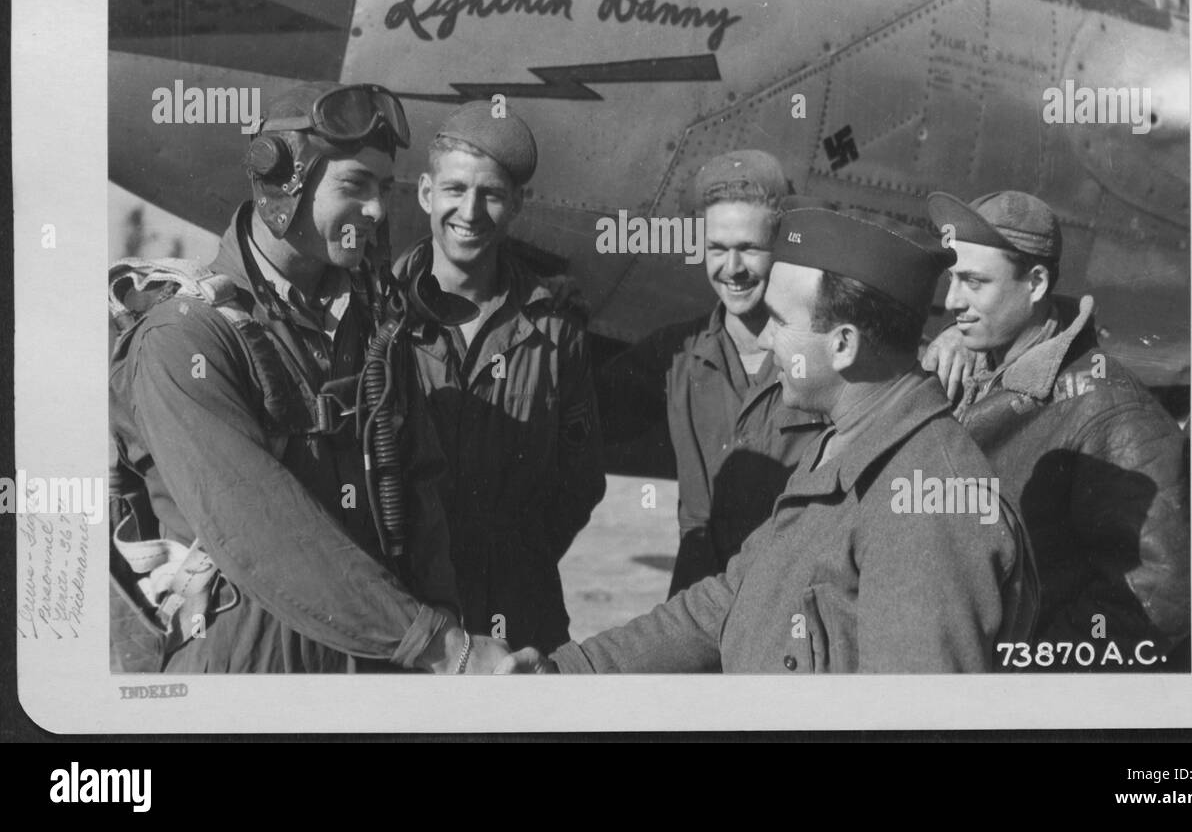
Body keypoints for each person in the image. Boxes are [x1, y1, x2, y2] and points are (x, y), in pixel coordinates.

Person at [499, 206, 1035, 674]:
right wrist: (567, 672)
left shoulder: (924, 501)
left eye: (781, 321)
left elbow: (913, 724)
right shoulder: (847, 443)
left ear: (844, 345)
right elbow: (728, 600)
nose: (767, 338)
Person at [110, 82, 508, 673]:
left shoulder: (369, 328)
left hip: (374, 666)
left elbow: (419, 488)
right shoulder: (185, 338)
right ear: (281, 185)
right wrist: (445, 650)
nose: (376, 210)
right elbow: (261, 531)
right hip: (244, 677)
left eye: (384, 188)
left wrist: (443, 630)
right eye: (354, 185)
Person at [924, 189, 1190, 667]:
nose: (950, 302)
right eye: (952, 279)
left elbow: (1162, 596)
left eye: (973, 282)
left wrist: (1028, 674)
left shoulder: (1111, 411)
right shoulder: (972, 365)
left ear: (1037, 283)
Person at [395, 100, 605, 654]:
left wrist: (512, 557)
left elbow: (579, 481)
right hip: (409, 620)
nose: (470, 210)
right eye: (454, 189)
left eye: (490, 193)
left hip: (521, 611)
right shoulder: (378, 322)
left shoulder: (557, 330)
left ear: (517, 203)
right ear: (425, 193)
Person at [598, 152, 827, 596]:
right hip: (696, 605)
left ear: (779, 248)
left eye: (750, 249)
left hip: (791, 603)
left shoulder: (823, 353)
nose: (733, 269)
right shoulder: (675, 354)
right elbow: (576, 407)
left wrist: (954, 344)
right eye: (718, 249)